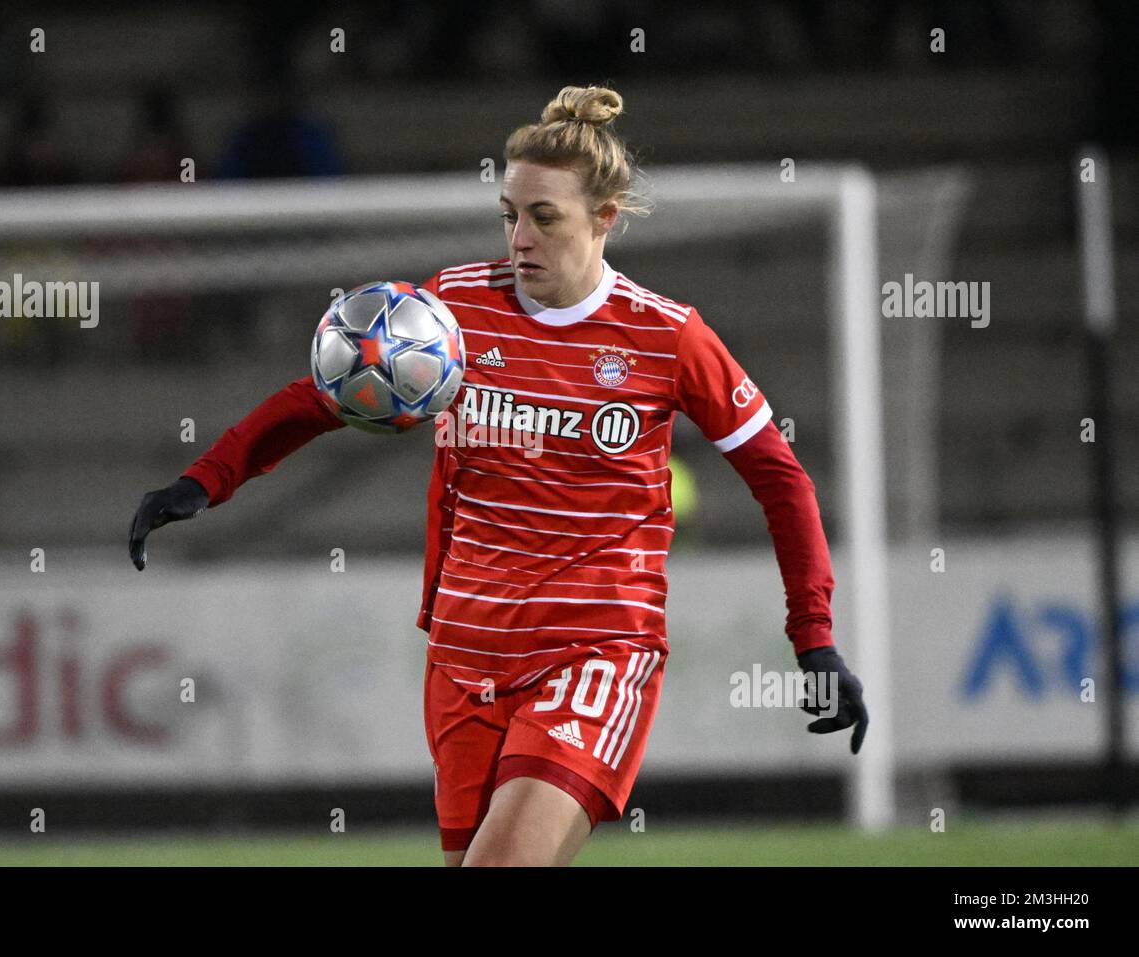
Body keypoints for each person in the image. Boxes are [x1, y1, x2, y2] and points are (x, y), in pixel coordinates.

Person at [129, 84, 868, 867]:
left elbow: (781, 479)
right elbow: (325, 395)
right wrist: (206, 479)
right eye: (509, 213)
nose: (519, 236)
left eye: (543, 216)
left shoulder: (667, 337)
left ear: (604, 217)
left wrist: (813, 638)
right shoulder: (449, 312)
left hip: (594, 653)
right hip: (463, 659)